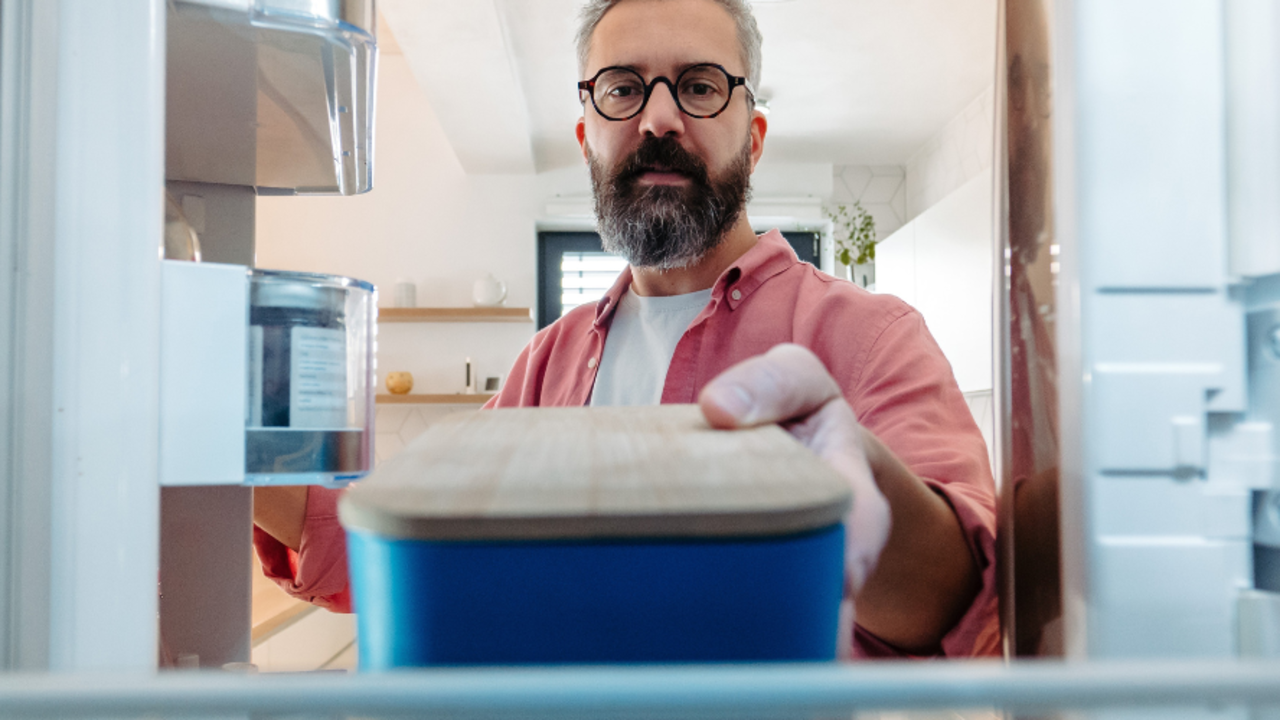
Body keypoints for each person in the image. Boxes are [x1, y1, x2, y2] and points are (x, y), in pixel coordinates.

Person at [253, 0, 998, 658]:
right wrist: (227, 446)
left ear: (755, 136)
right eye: (623, 88)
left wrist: (861, 488)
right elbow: (408, 546)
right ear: (587, 137)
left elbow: (971, 607)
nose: (660, 118)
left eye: (700, 86)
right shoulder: (546, 363)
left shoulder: (872, 336)